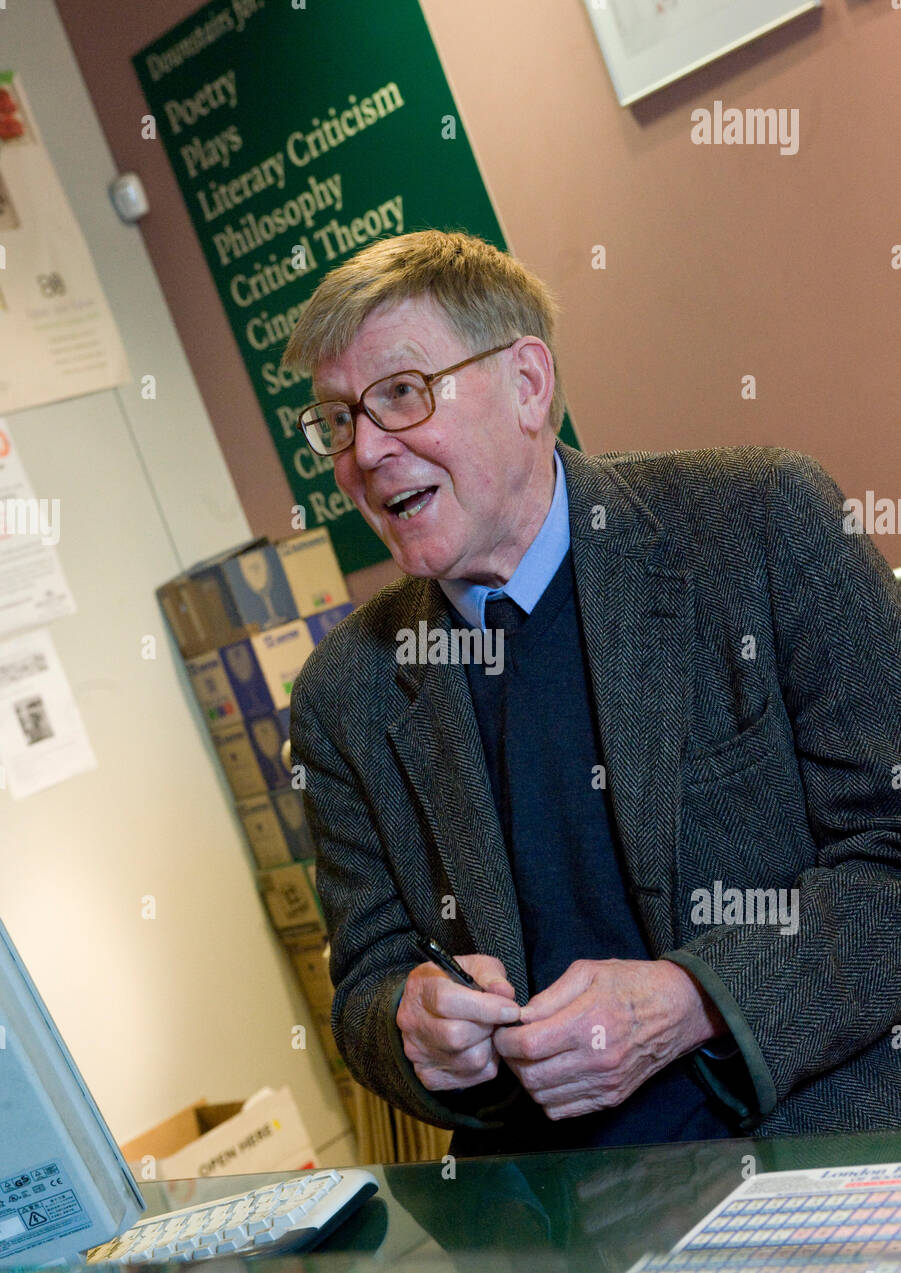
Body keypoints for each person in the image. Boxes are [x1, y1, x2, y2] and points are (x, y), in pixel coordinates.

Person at [285, 229, 901, 1157]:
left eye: (401, 395)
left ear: (527, 384)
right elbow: (367, 984)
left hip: (813, 1150)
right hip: (543, 1200)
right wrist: (415, 1027)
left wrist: (693, 1002)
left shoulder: (761, 524)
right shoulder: (343, 693)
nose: (365, 452)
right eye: (338, 421)